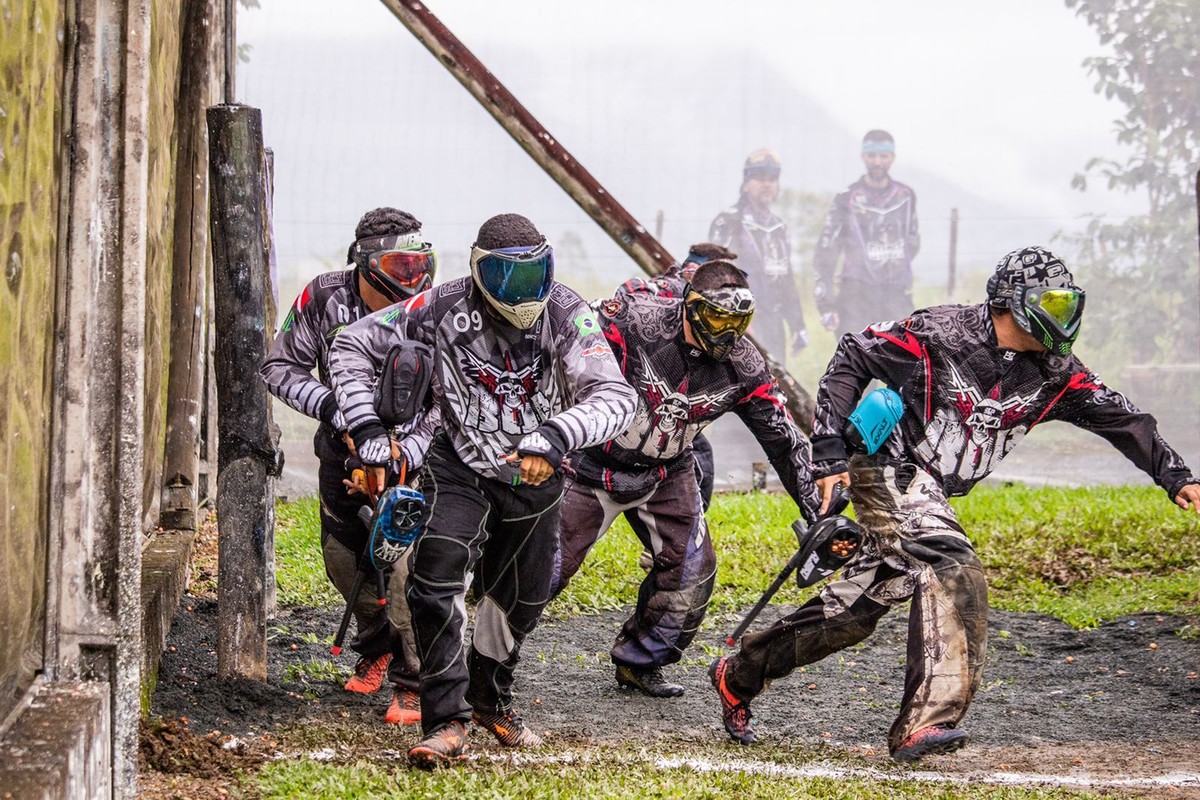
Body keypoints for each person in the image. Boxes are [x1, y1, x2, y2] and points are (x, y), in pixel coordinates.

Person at [709, 245, 1200, 761]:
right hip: (887, 470)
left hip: (931, 492)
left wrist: (1176, 476)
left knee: (856, 609)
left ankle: (739, 673)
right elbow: (853, 352)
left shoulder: (1057, 373)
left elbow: (1124, 420)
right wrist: (829, 452)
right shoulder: (940, 335)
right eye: (1052, 304)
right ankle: (924, 724)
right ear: (1014, 301)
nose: (1064, 317)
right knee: (952, 563)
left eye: (1068, 304)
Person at [328, 213, 636, 768]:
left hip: (535, 474)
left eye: (534, 273)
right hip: (459, 465)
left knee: (520, 598)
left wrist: (554, 438)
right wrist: (368, 428)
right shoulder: (439, 307)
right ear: (477, 270)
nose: (524, 292)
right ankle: (445, 721)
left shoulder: (567, 314)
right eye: (507, 277)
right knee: (434, 583)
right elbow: (350, 345)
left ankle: (489, 695)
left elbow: (616, 396)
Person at [550, 260, 822, 698]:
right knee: (542, 569)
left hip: (666, 471)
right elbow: (562, 345)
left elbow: (783, 439)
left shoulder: (745, 367)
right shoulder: (634, 321)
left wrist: (817, 507)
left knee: (691, 577)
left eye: (738, 321)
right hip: (587, 464)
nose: (726, 332)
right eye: (717, 317)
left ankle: (641, 662)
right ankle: (484, 664)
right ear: (690, 307)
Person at [260, 207, 436, 726]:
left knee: (407, 572)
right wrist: (336, 408)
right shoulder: (324, 296)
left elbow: (450, 397)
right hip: (342, 452)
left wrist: (408, 448)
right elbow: (279, 366)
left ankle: (415, 681)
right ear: (365, 264)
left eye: (419, 264)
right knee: (343, 558)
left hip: (411, 458)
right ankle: (378, 645)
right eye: (400, 267)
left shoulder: (438, 308)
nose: (413, 278)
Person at [613, 241, 739, 509]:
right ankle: (691, 528)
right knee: (697, 454)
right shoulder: (679, 292)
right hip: (642, 396)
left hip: (642, 394)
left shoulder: (671, 286)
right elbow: (625, 296)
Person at [813, 129, 920, 337]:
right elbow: (825, 252)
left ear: (892, 158)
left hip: (895, 293)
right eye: (872, 156)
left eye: (883, 156)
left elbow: (913, 242)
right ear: (863, 157)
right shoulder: (846, 198)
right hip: (855, 295)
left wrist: (893, 267)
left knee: (902, 360)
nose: (878, 162)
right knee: (855, 361)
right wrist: (826, 304)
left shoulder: (905, 196)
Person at [709, 149, 807, 363]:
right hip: (740, 322)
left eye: (772, 179)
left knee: (775, 389)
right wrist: (736, 318)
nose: (767, 184)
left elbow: (786, 279)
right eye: (760, 178)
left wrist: (797, 326)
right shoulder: (727, 222)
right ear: (745, 183)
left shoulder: (779, 228)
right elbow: (715, 277)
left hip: (774, 323)